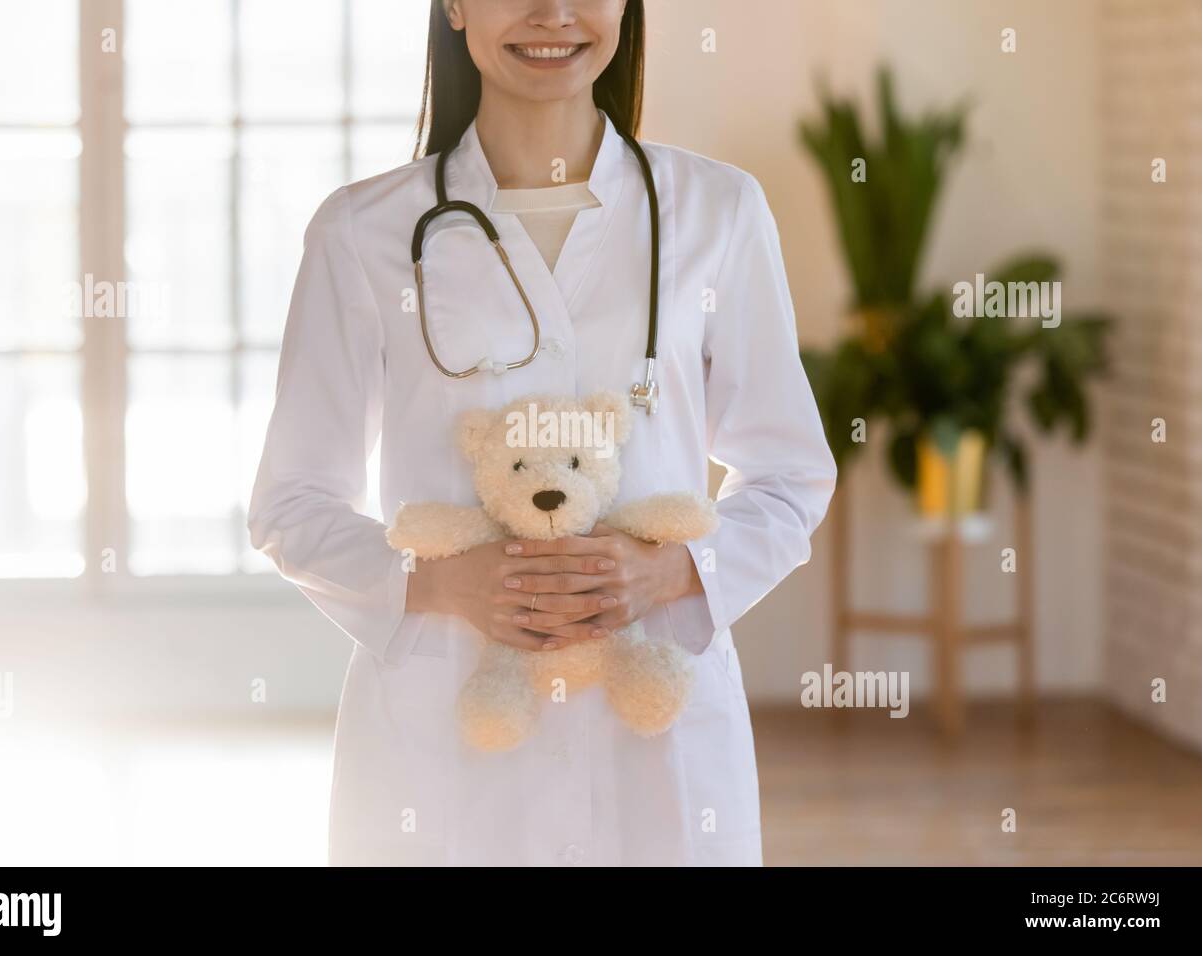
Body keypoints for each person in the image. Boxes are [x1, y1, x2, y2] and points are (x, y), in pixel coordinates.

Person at [247, 0, 836, 866]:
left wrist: (668, 572)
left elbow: (789, 477)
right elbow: (290, 504)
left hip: (658, 739)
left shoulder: (717, 212)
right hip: (444, 746)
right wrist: (445, 586)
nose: (553, 14)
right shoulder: (362, 234)